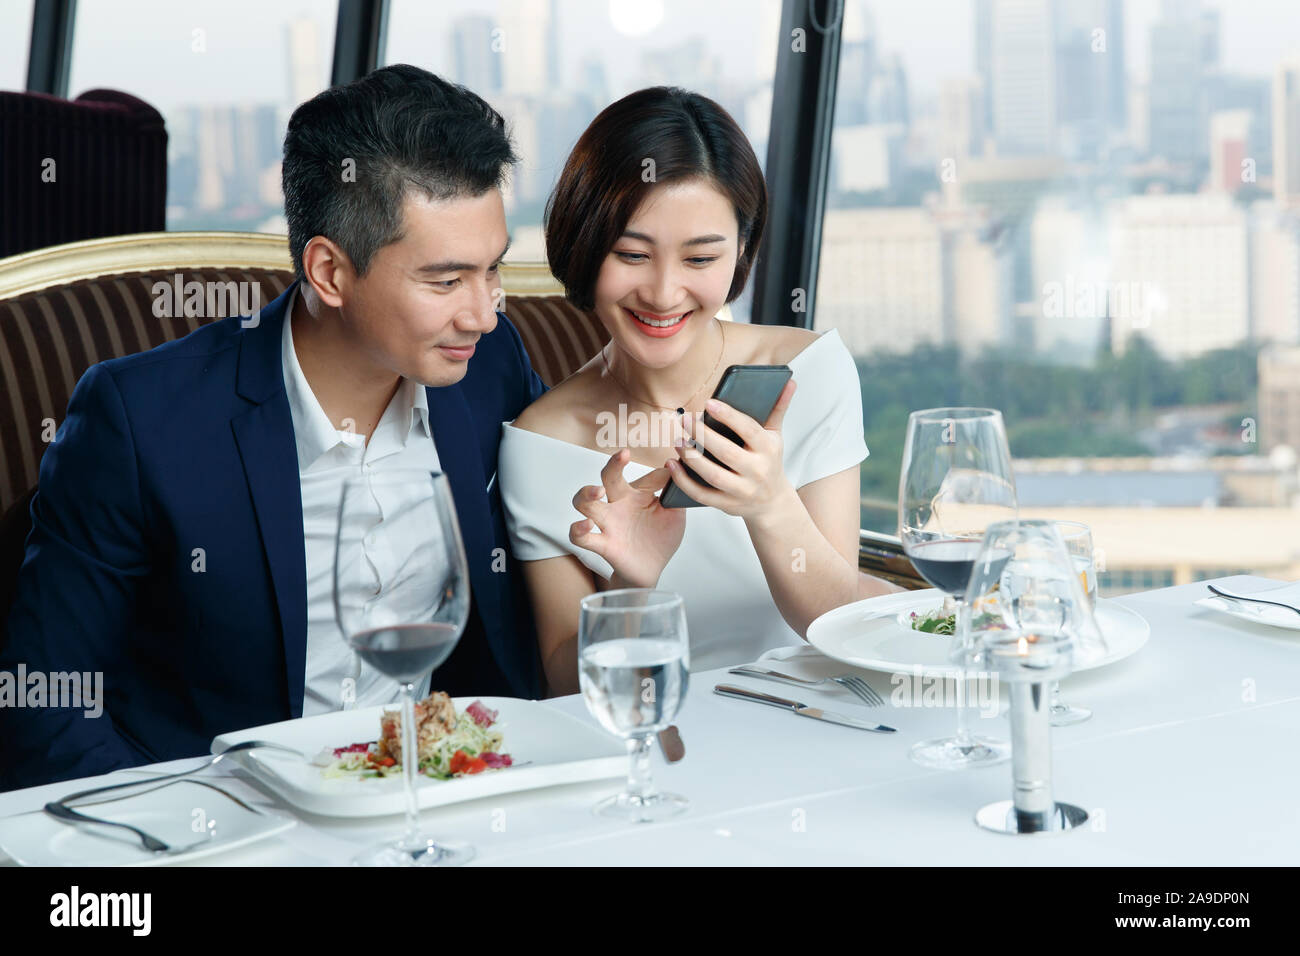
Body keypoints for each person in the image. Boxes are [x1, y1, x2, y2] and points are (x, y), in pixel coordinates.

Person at [0, 65, 547, 791]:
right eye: (445, 281)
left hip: (444, 797)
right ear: (328, 272)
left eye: (493, 271)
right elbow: (47, 701)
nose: (483, 312)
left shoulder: (488, 367)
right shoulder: (141, 421)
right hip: (220, 816)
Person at [499, 87, 902, 695]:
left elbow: (835, 623)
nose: (663, 293)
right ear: (583, 245)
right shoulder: (540, 444)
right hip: (659, 747)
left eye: (700, 258)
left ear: (740, 251)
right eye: (632, 254)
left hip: (825, 725)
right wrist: (631, 589)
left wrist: (771, 506)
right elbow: (564, 684)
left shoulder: (812, 371)